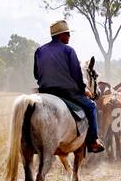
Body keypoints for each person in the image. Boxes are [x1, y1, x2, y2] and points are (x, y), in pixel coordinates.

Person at [34, 19, 105, 153]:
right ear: (60, 35)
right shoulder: (68, 50)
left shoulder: (39, 50)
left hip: (44, 92)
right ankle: (93, 141)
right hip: (66, 93)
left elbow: (36, 74)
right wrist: (83, 89)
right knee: (91, 106)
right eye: (67, 34)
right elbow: (77, 75)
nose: (69, 36)